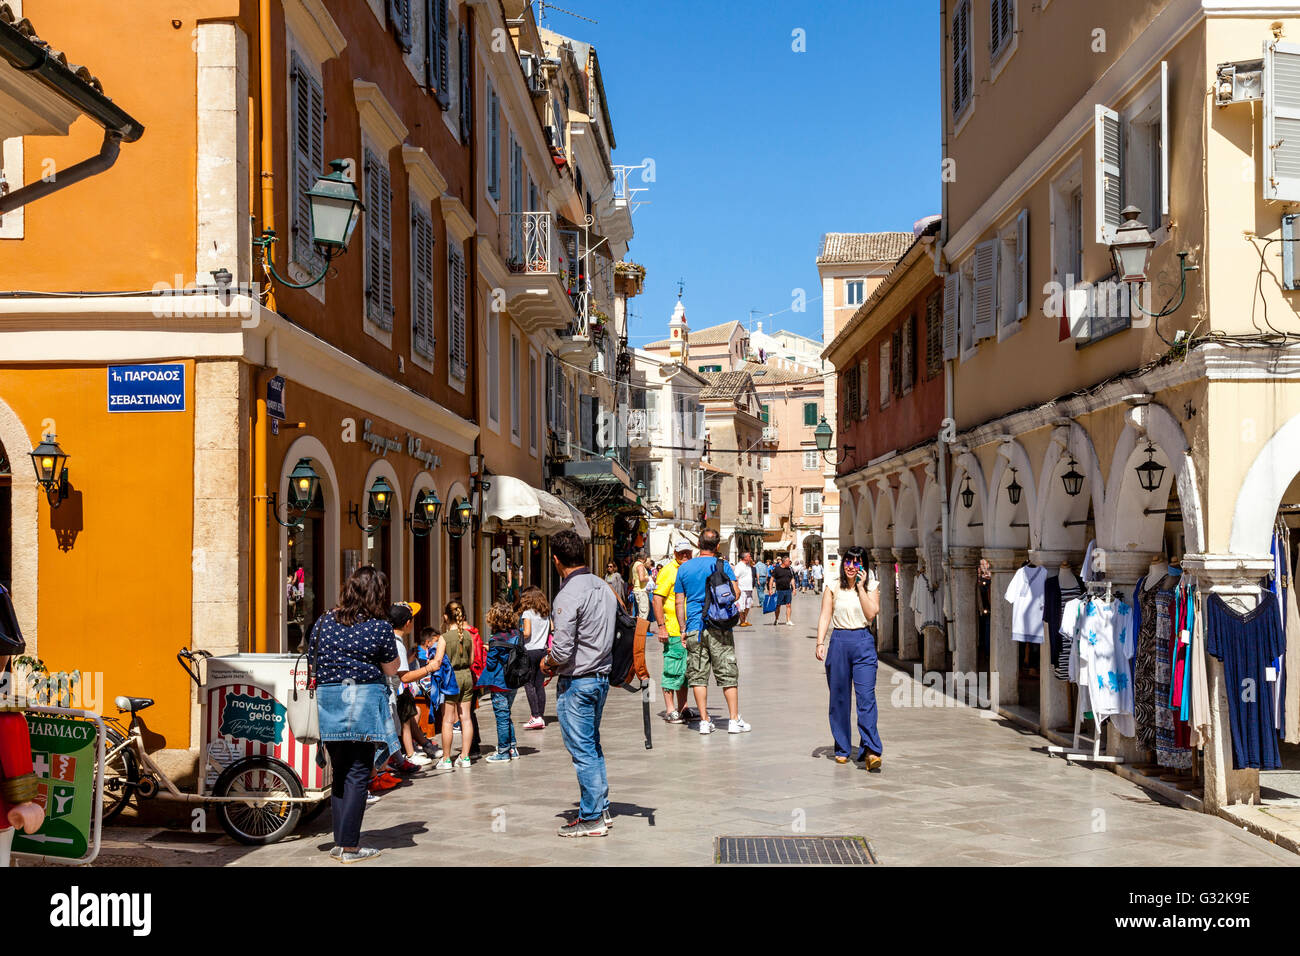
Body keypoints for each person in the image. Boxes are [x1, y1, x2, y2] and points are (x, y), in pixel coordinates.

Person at [311, 565, 401, 863]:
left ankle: (341, 842)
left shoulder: (325, 621)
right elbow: (392, 668)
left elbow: (313, 659)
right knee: (359, 773)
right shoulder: (379, 627)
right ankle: (350, 847)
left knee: (340, 772)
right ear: (377, 594)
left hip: (331, 700)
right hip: (361, 701)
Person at [541, 529, 618, 837]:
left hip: (578, 681)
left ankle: (591, 817)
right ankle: (602, 808)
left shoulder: (568, 594)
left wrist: (546, 663)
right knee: (592, 746)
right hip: (601, 676)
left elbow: (561, 649)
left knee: (582, 750)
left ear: (556, 560)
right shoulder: (602, 586)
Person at [674, 528, 751, 736]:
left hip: (694, 627)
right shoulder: (723, 565)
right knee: (728, 671)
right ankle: (734, 720)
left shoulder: (684, 568)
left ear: (698, 545)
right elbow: (735, 594)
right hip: (719, 626)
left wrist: (683, 629)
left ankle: (705, 720)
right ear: (717, 546)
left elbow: (679, 601)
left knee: (698, 675)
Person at [815, 546, 883, 769]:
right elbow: (826, 614)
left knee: (866, 697)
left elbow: (871, 613)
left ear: (863, 566)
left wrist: (861, 588)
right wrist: (820, 642)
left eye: (857, 562)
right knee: (839, 699)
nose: (851, 566)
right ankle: (843, 746)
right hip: (839, 642)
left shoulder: (871, 586)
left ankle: (871, 749)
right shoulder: (833, 586)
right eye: (848, 562)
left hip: (863, 641)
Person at [388, 601, 434, 767]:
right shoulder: (398, 643)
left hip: (393, 690)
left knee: (402, 722)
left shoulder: (391, 639)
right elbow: (405, 677)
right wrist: (430, 668)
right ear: (408, 623)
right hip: (394, 691)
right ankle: (408, 754)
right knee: (400, 723)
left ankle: (403, 756)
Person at [434, 600, 477, 771]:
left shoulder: (444, 638)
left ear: (445, 617)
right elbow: (472, 660)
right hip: (466, 676)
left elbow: (438, 662)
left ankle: (446, 759)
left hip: (451, 678)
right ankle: (465, 757)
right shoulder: (468, 636)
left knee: (448, 720)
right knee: (466, 717)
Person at [654, 538, 693, 722]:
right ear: (675, 553)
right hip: (673, 630)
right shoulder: (669, 571)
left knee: (685, 671)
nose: (685, 555)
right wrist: (661, 627)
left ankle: (683, 706)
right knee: (672, 669)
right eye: (681, 552)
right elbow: (657, 599)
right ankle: (670, 709)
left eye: (688, 552)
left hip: (689, 630)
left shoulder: (688, 570)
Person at [479, 601, 524, 763]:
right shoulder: (517, 635)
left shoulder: (495, 640)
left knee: (502, 717)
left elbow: (491, 664)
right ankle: (512, 747)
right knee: (507, 715)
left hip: (499, 682)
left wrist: (489, 650)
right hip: (514, 681)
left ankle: (504, 752)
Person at [517, 586, 551, 730]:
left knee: (528, 684)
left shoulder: (527, 613)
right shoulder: (545, 614)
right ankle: (540, 717)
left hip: (529, 651)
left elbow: (527, 633)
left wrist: (517, 634)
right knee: (539, 684)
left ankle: (535, 715)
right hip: (542, 651)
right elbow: (552, 629)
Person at [769, 556, 796, 626]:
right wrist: (770, 589)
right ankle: (777, 619)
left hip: (787, 590)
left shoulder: (790, 569)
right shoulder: (777, 569)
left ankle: (788, 620)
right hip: (779, 590)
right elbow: (771, 579)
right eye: (788, 561)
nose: (789, 563)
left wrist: (794, 588)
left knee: (789, 605)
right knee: (778, 606)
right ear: (784, 562)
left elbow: (792, 579)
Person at [735, 551, 756, 627]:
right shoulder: (739, 566)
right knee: (741, 606)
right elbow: (736, 577)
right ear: (745, 557)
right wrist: (736, 588)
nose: (750, 557)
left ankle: (745, 619)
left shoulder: (748, 565)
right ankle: (742, 621)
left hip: (749, 588)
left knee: (748, 605)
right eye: (749, 556)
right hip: (742, 588)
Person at [631, 555, 652, 622]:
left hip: (637, 590)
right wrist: (649, 578)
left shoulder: (634, 565)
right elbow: (641, 578)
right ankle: (641, 632)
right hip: (641, 591)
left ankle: (640, 631)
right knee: (643, 613)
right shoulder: (640, 566)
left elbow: (633, 580)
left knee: (640, 613)